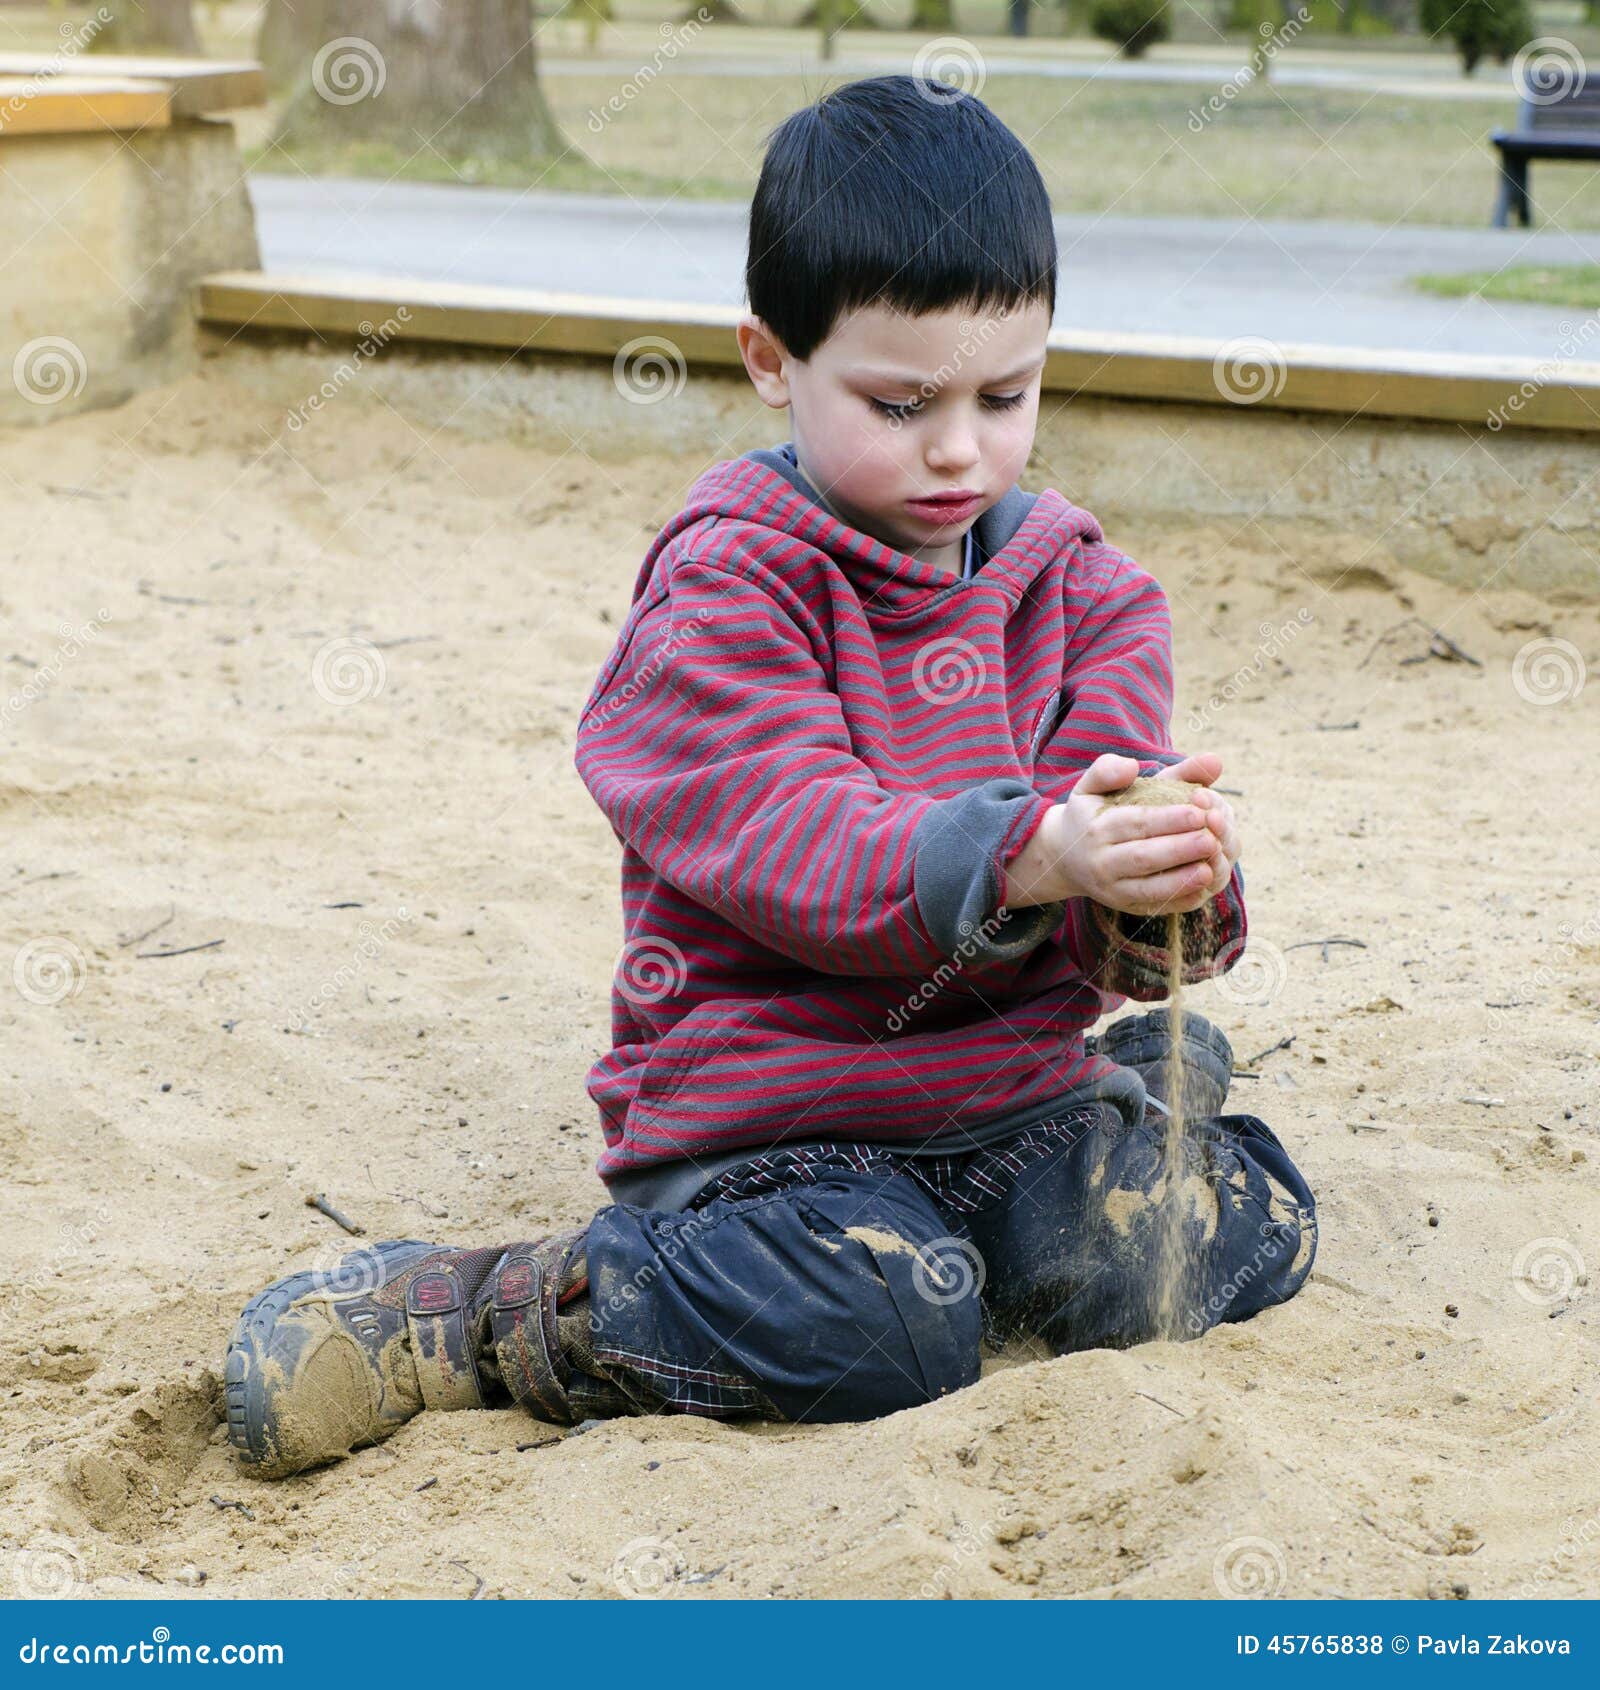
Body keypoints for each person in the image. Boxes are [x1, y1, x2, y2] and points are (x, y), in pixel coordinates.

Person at [224, 74, 1317, 1479]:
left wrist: (1161, 882)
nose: (959, 447)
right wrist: (1031, 853)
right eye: (899, 399)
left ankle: (1136, 1083)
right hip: (779, 1130)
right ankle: (485, 1315)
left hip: (1008, 1094)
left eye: (1007, 393)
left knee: (1192, 1246)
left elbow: (1099, 831)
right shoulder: (723, 592)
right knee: (886, 1328)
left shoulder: (1090, 593)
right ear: (767, 356)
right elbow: (805, 844)